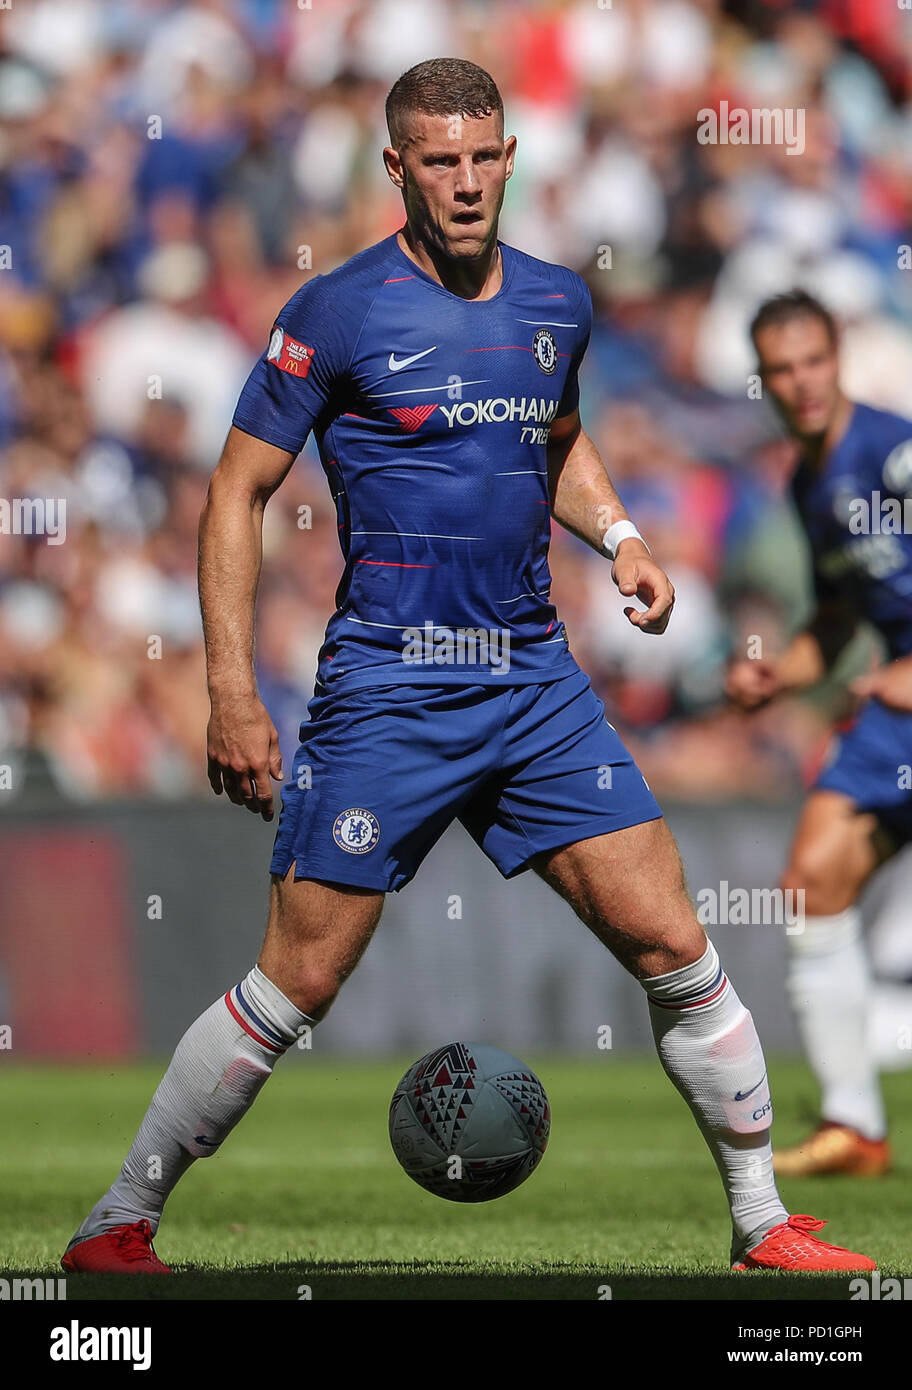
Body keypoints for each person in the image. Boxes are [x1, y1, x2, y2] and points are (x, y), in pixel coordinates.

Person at [63, 62, 873, 1275]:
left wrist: (625, 538)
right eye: (437, 161)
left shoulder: (555, 302)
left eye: (482, 157)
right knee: (298, 982)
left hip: (534, 681)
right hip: (388, 686)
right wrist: (231, 688)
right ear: (396, 168)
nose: (464, 181)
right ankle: (116, 1223)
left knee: (676, 947)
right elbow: (235, 491)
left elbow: (557, 439)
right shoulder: (335, 313)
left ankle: (763, 1224)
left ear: (508, 157)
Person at [728, 289, 912, 1177]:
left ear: (839, 357)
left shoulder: (893, 451)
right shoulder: (808, 479)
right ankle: (854, 1126)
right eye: (781, 370)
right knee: (811, 878)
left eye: (813, 362)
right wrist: (780, 672)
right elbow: (838, 622)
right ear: (762, 380)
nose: (801, 383)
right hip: (897, 702)